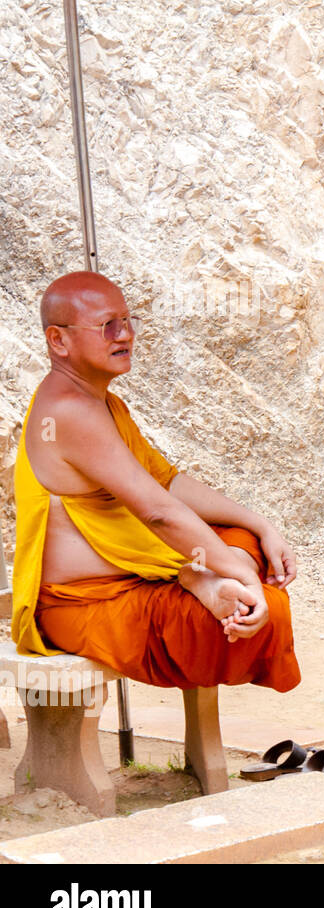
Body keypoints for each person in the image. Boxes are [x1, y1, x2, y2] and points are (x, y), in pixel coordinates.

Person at [8, 271, 300, 692]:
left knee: (244, 542)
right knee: (257, 605)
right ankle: (200, 576)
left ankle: (200, 575)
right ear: (59, 341)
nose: (123, 334)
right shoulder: (68, 411)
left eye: (128, 321)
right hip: (86, 602)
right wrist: (242, 573)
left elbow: (167, 484)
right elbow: (159, 513)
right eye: (107, 325)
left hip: (136, 578)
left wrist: (261, 525)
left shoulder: (103, 403)